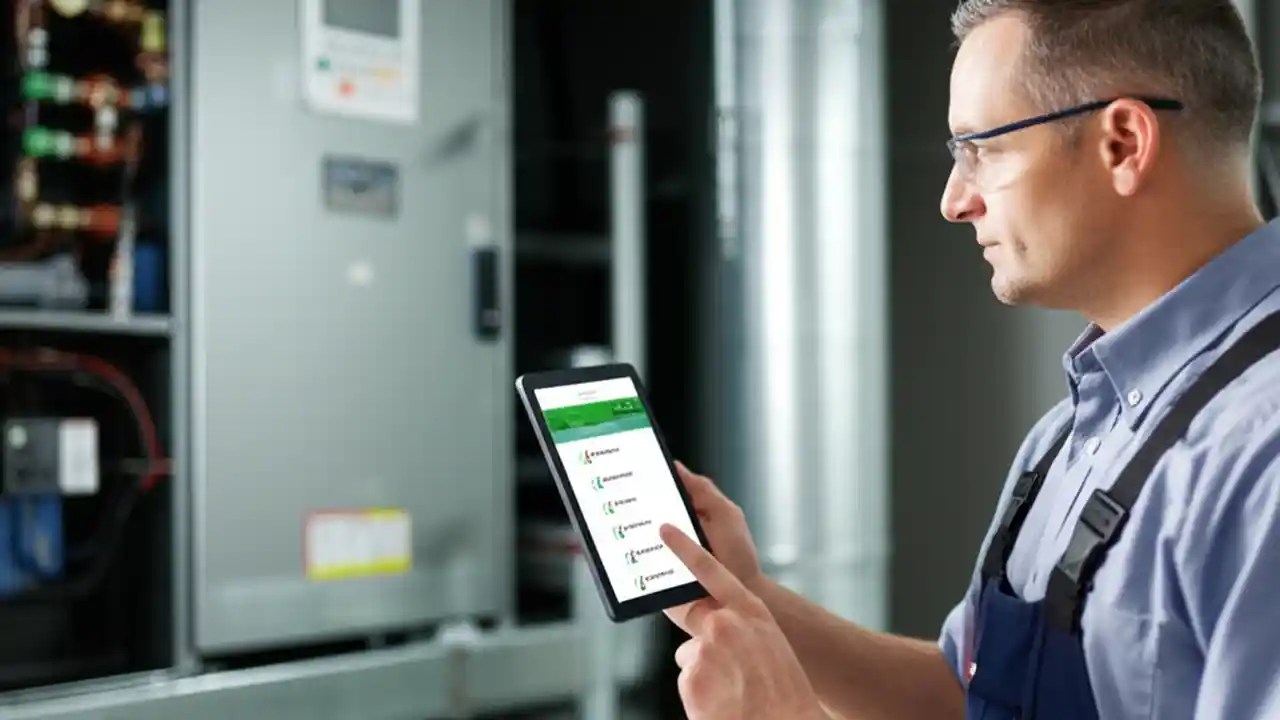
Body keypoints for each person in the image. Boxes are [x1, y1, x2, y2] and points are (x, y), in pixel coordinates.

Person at [656, 1, 1280, 718]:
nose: (954, 201)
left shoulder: (1261, 454)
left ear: (1122, 144)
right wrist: (754, 601)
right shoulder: (1077, 427)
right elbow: (971, 696)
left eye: (982, 149)